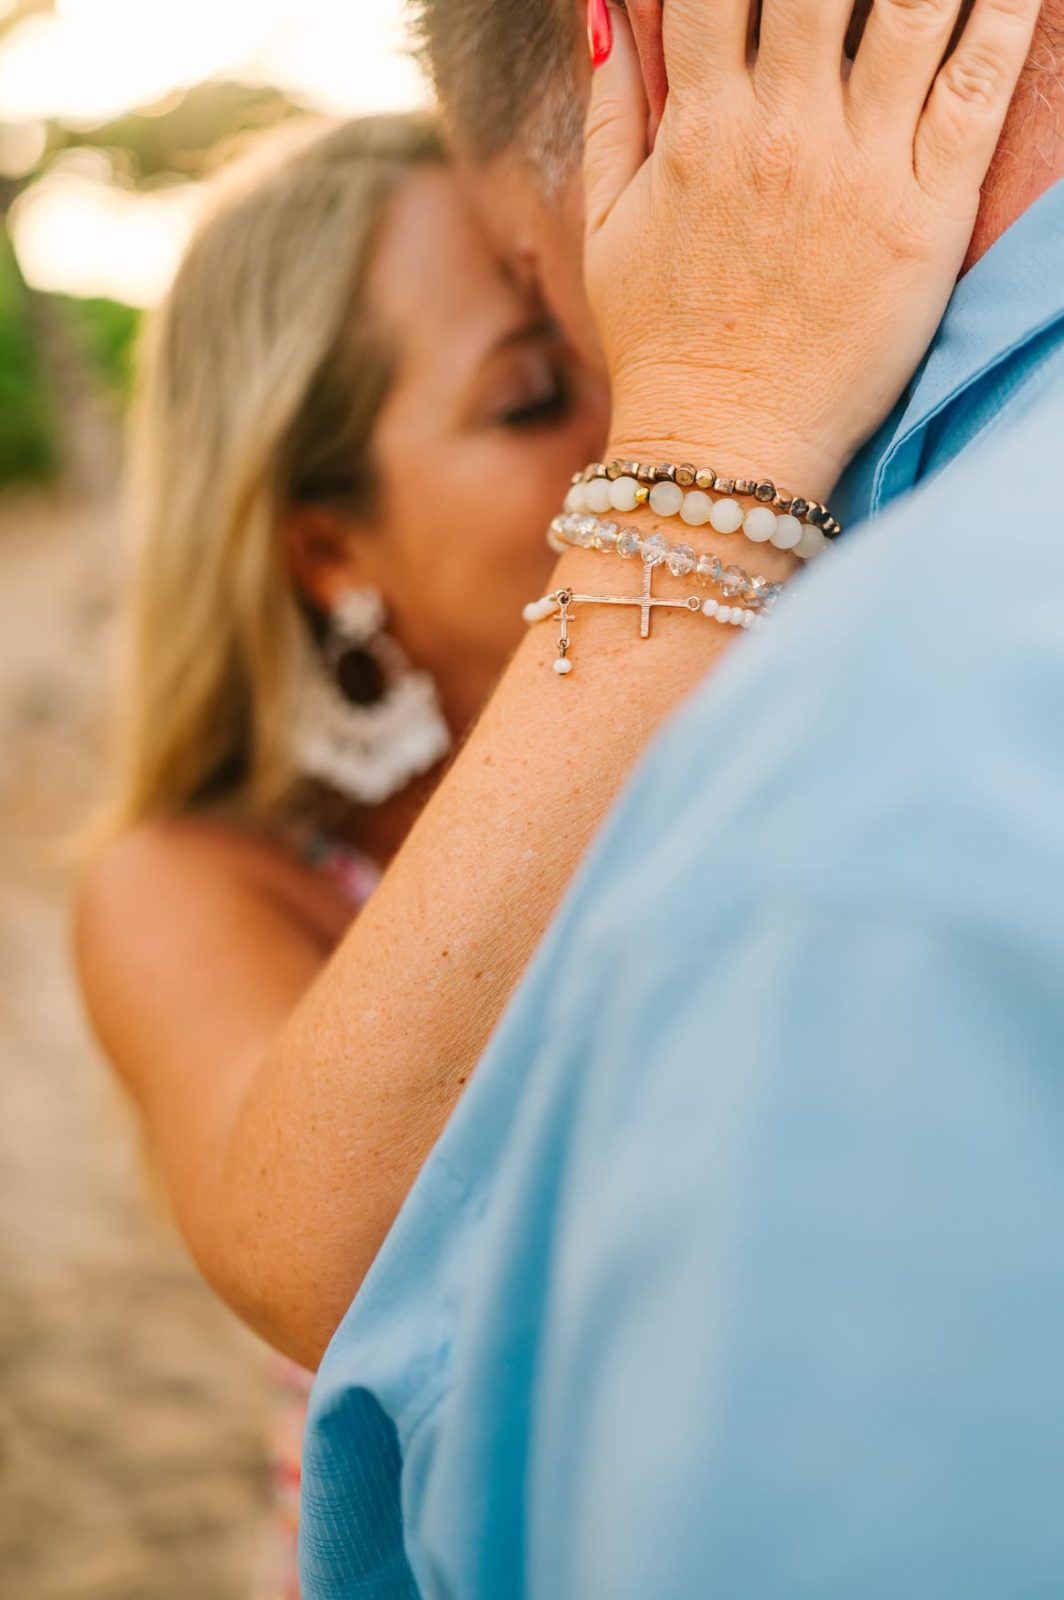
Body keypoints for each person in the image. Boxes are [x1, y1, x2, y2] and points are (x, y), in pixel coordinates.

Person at [294, 1, 1064, 1596]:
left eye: (541, 320)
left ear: (672, 64)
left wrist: (722, 420)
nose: (605, 413)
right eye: (537, 385)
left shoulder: (855, 808)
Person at [75, 112, 608, 1599]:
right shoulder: (195, 881)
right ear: (328, 550)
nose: (639, 404)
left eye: (602, 318)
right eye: (533, 391)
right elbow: (341, 1264)